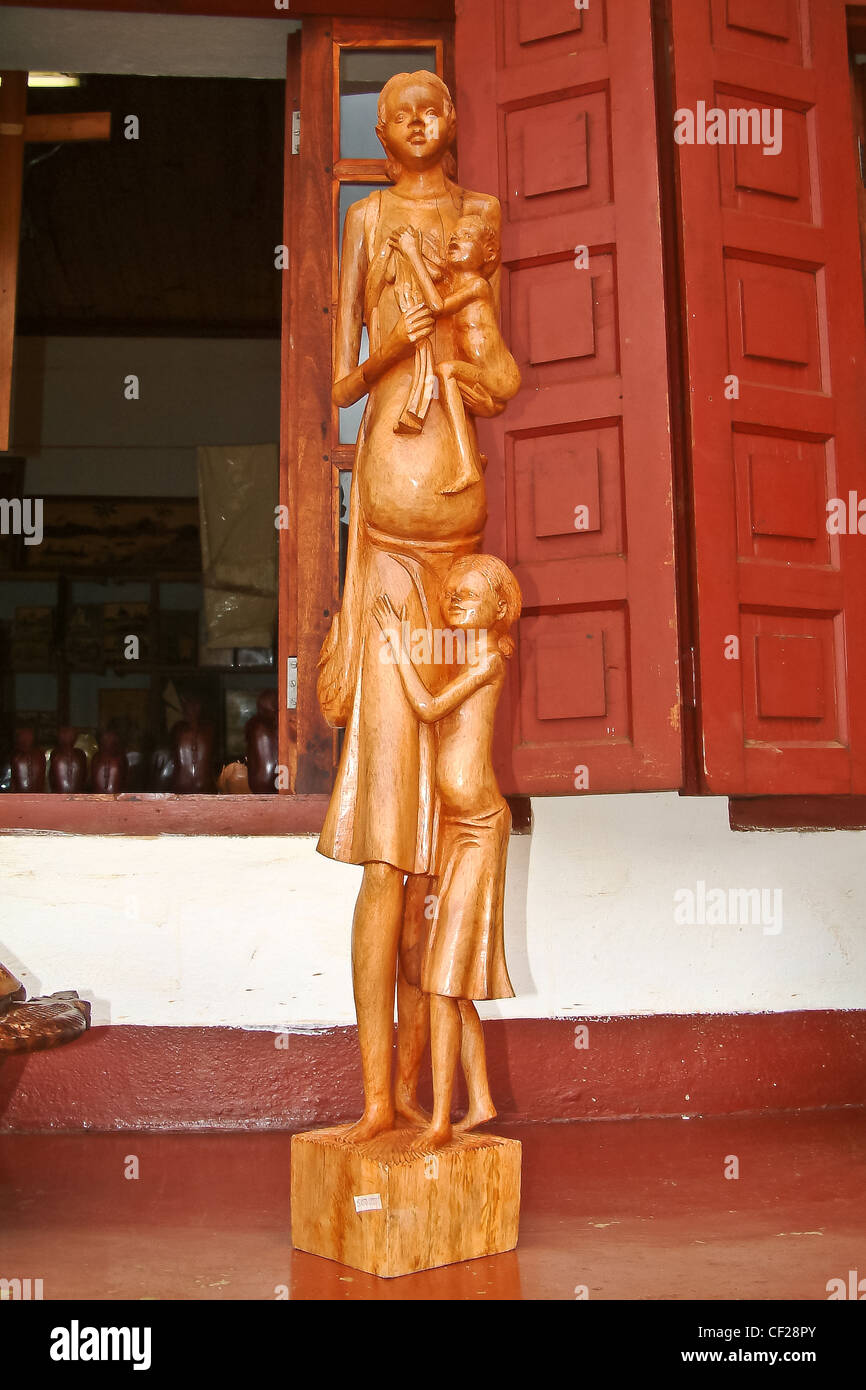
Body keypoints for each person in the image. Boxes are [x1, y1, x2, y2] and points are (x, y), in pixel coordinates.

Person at [316, 69, 506, 1142]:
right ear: (381, 133)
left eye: (433, 104)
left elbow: (503, 378)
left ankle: (442, 1100)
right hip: (389, 555)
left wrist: (467, 323)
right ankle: (376, 1099)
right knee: (387, 847)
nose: (418, 118)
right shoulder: (367, 220)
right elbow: (342, 383)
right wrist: (398, 338)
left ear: (452, 121)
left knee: (456, 819)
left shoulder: (478, 218)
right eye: (397, 110)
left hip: (460, 565)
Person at [374, 553, 521, 1149]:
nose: (455, 599)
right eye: (452, 591)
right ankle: (479, 1100)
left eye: (470, 594)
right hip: (455, 826)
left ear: (500, 607)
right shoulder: (465, 656)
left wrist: (396, 646)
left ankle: (439, 1120)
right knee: (450, 978)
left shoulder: (488, 659)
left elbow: (429, 708)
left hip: (480, 829)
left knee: (441, 980)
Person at [388, 214, 520, 493]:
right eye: (454, 235)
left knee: (446, 370)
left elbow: (437, 307)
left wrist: (412, 253)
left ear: (489, 254)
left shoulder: (478, 285)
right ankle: (470, 453)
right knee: (451, 380)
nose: (456, 239)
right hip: (482, 379)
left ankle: (467, 465)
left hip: (501, 376)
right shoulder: (456, 283)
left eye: (467, 236)